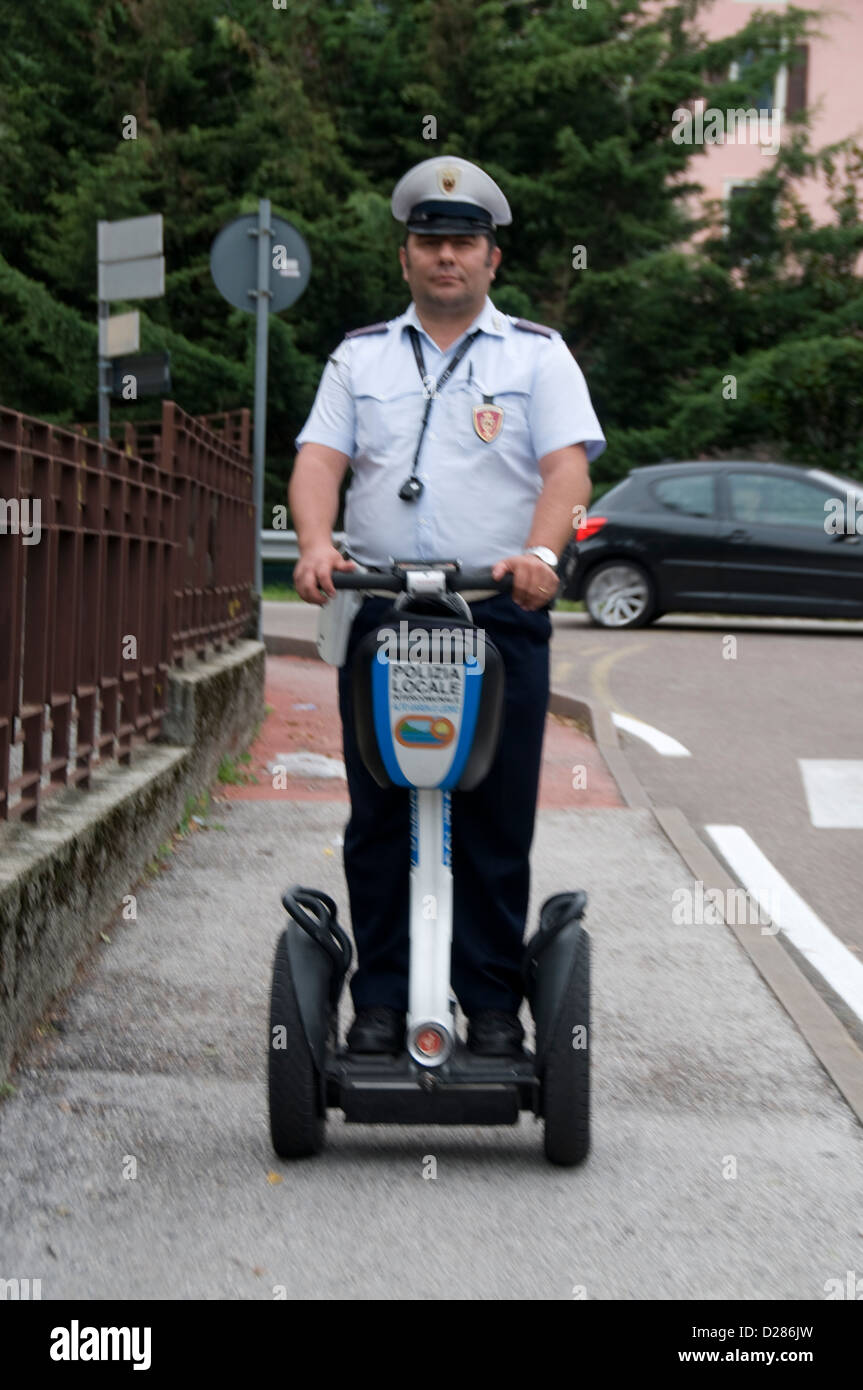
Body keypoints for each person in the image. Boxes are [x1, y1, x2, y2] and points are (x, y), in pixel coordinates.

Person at [290, 155, 606, 1058]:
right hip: (383, 609)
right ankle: (381, 1003)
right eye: (430, 242)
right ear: (406, 257)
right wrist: (316, 544)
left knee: (496, 818)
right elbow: (319, 461)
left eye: (463, 243)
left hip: (495, 609)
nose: (446, 258)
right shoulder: (360, 358)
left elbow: (567, 471)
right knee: (382, 814)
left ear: (490, 260)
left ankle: (495, 1007)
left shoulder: (537, 356)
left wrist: (545, 554)